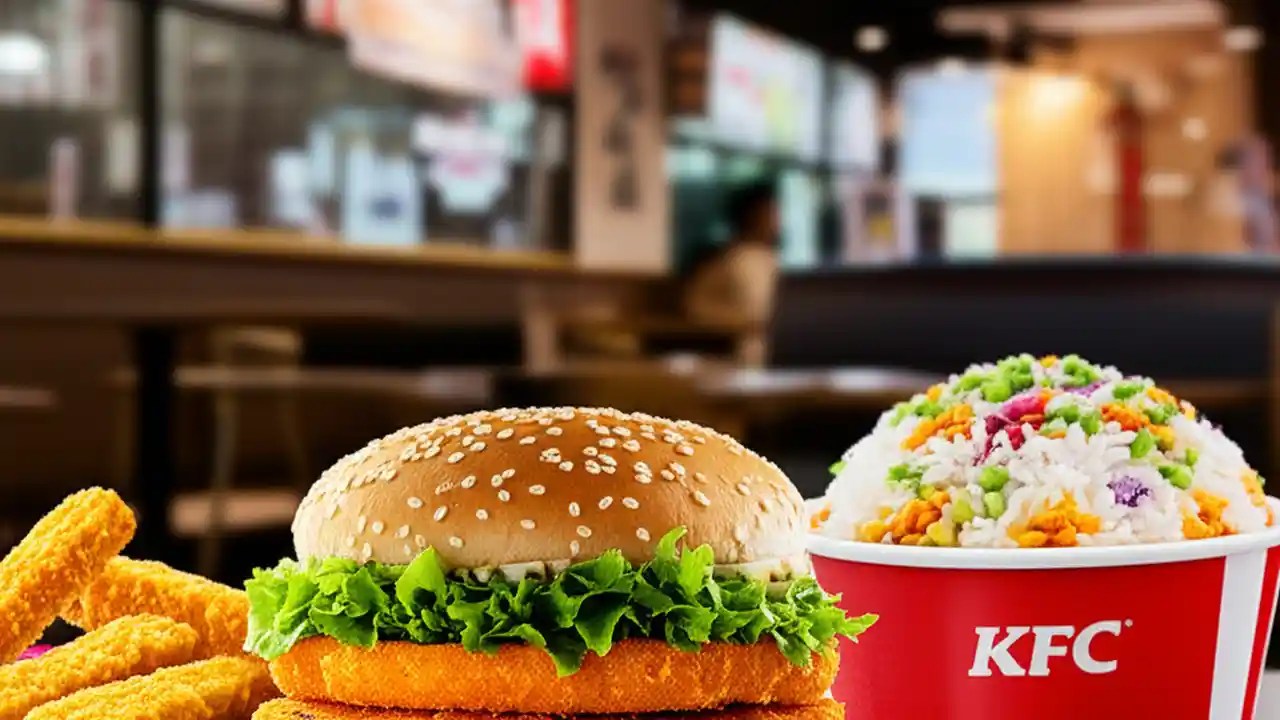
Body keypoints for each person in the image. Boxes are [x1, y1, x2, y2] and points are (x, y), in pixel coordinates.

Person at [683, 181, 781, 328]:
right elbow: (695, 307)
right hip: (733, 341)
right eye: (770, 214)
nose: (776, 222)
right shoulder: (726, 261)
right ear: (751, 217)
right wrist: (745, 322)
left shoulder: (766, 258)